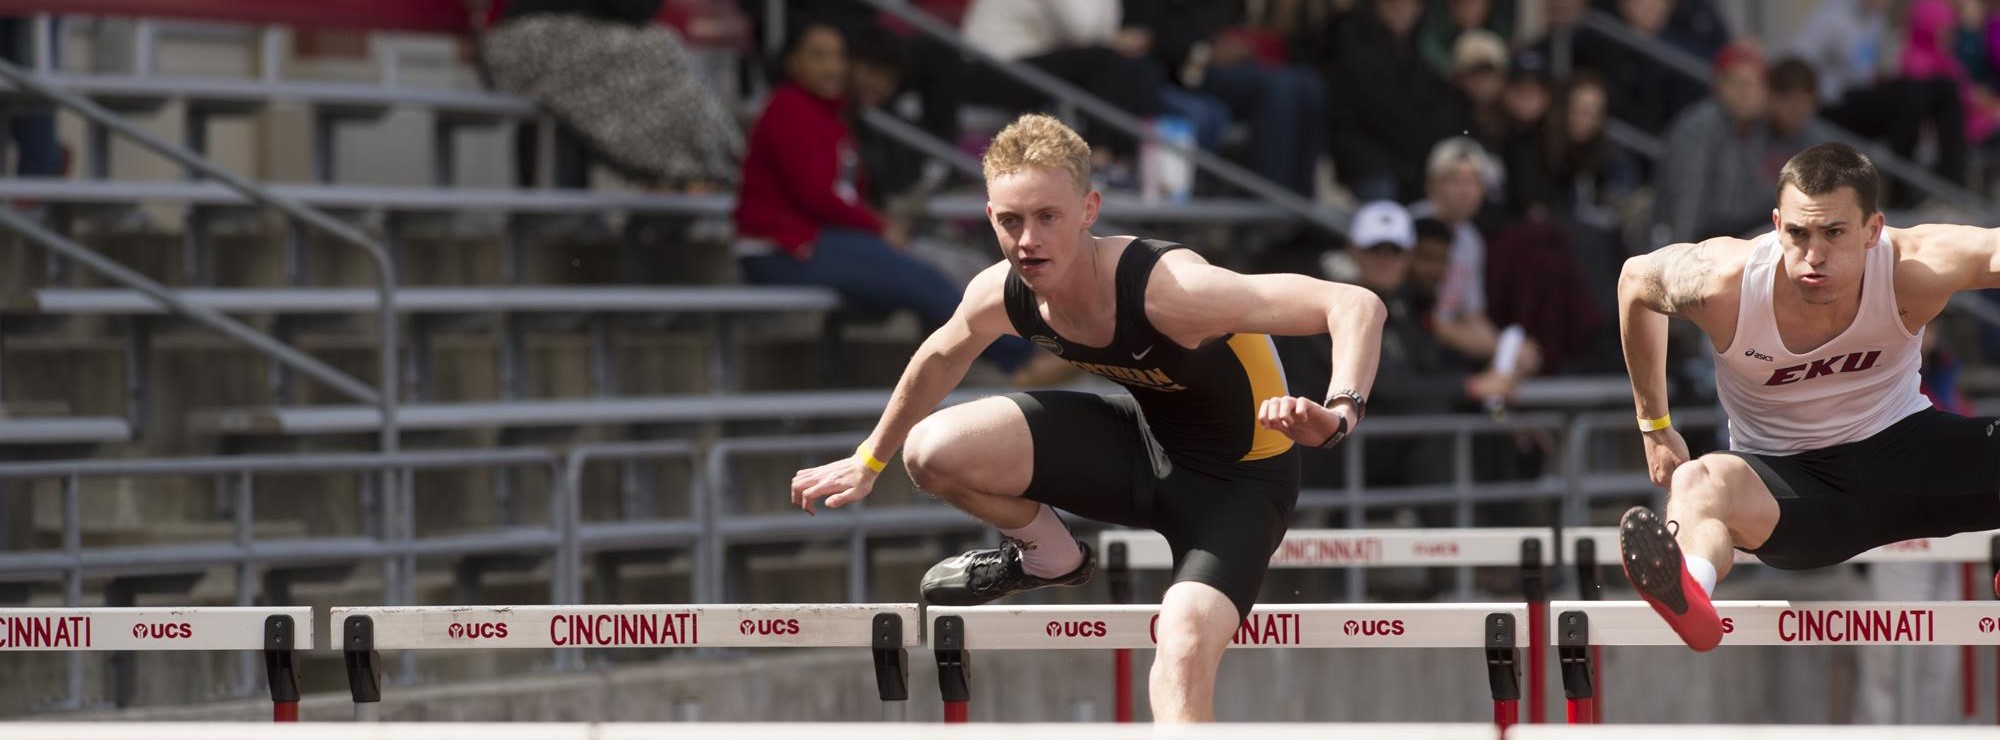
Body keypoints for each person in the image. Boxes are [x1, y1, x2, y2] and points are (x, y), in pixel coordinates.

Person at [786, 113, 1386, 721]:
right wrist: (868, 461)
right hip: (1142, 445)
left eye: (1048, 218)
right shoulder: (1003, 292)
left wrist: (1339, 414)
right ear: (989, 216)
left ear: (1089, 210)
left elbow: (1354, 302)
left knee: (1179, 655)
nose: (1028, 242)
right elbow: (940, 357)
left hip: (1240, 485)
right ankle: (1050, 557)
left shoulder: (1171, 290)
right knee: (929, 452)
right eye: (1011, 221)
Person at [1614, 142, 2000, 652]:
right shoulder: (1725, 283)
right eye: (1798, 234)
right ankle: (1691, 593)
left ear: (1873, 231)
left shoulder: (1914, 266)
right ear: (1776, 224)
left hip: (1911, 454)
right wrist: (1655, 426)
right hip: (1792, 487)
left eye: (1835, 234)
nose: (1813, 256)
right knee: (1699, 480)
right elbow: (1634, 281)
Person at [734, 21, 1033, 374]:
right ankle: (1019, 360)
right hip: (781, 248)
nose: (832, 67)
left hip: (816, 241)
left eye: (839, 56)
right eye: (818, 56)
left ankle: (1020, 349)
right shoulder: (789, 108)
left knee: (939, 270)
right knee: (921, 280)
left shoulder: (828, 114)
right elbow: (817, 196)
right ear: (793, 62)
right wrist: (879, 226)